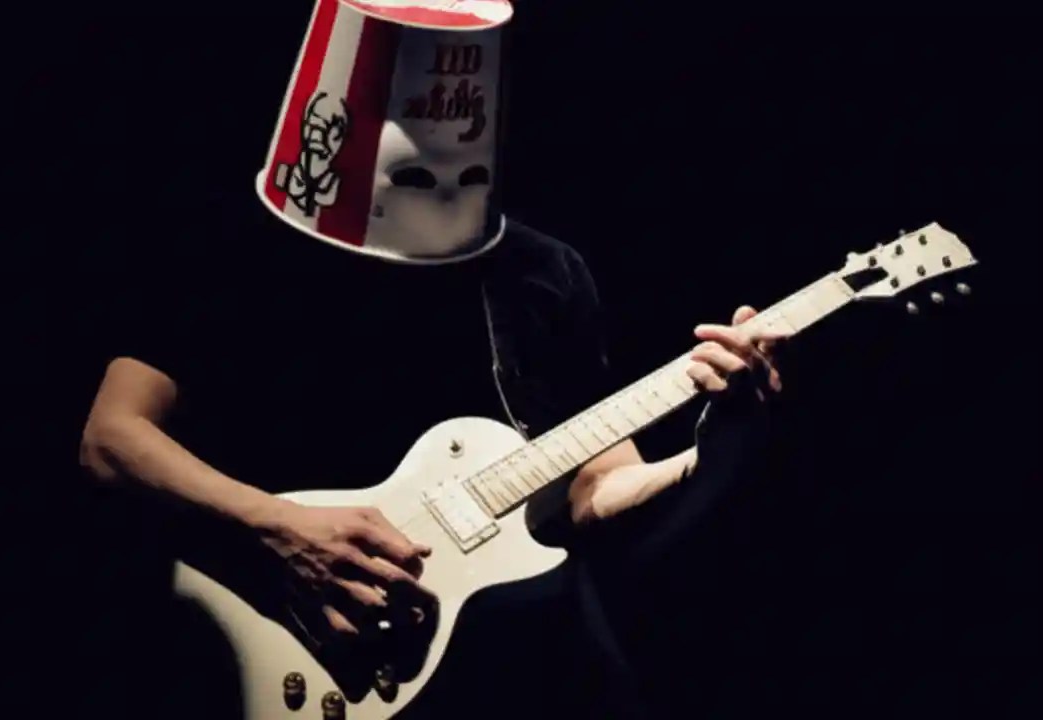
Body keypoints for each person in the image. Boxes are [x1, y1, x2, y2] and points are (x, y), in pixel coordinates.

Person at [78, 2, 787, 718]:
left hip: (509, 668)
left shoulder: (540, 273)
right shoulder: (226, 245)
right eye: (413, 168)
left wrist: (709, 455)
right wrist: (277, 530)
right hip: (275, 650)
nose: (438, 183)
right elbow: (112, 438)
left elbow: (592, 490)